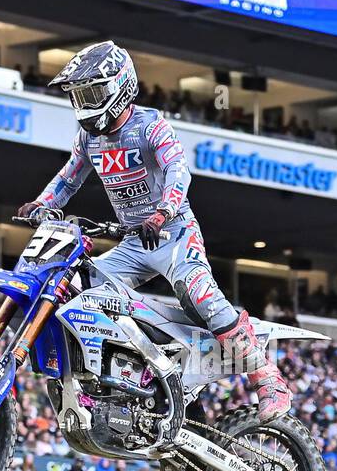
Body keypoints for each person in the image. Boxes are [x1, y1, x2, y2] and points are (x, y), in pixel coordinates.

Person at [15, 40, 291, 421]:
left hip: (174, 232)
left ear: (119, 87)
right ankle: (124, 384)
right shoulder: (89, 138)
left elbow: (180, 170)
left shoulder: (151, 125)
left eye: (91, 92)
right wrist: (42, 204)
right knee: (85, 292)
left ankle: (269, 380)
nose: (84, 102)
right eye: (79, 94)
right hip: (133, 241)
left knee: (201, 297)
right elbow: (69, 178)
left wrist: (162, 213)